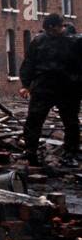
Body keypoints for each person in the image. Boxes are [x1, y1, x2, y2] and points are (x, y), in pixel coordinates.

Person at [19, 13, 81, 167]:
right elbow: (29, 63)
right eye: (48, 30)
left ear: (61, 26)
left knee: (71, 122)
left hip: (68, 88)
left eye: (54, 29)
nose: (51, 32)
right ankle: (30, 151)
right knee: (34, 119)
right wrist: (25, 84)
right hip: (43, 86)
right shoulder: (39, 41)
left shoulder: (76, 41)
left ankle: (70, 153)